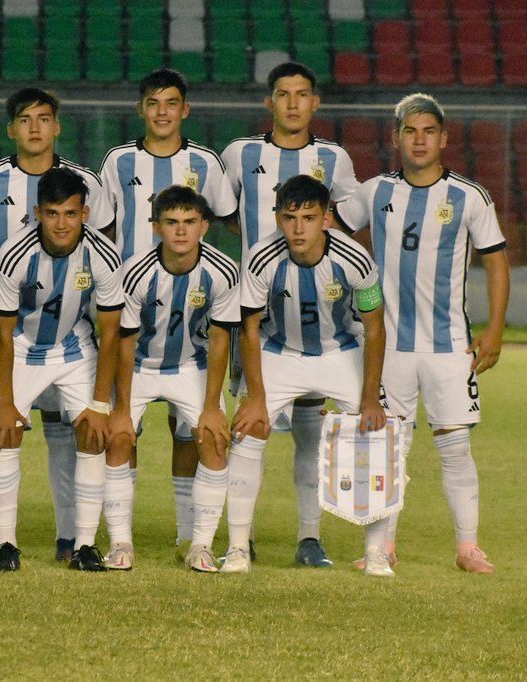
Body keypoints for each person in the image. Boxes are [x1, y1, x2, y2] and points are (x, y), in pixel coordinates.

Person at [335, 93, 509, 574]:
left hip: (450, 344)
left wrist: (494, 329)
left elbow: (496, 262)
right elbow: (331, 236)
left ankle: (467, 548)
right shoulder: (374, 192)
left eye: (428, 131)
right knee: (392, 446)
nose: (419, 139)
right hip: (388, 347)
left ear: (445, 139)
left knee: (455, 445)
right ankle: (384, 547)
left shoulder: (470, 196)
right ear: (395, 138)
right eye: (410, 131)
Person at [0, 87, 114, 563]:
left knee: (77, 433)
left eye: (44, 118)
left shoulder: (87, 186)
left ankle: (77, 541)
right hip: (8, 333)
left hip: (71, 339)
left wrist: (103, 401)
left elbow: (101, 276)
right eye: (25, 119)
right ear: (12, 128)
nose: (35, 127)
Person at [220, 61, 362, 568]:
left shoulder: (335, 158)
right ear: (270, 102)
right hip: (257, 318)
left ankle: (309, 538)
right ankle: (243, 539)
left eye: (303, 94)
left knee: (310, 433)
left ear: (315, 102)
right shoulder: (241, 154)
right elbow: (221, 212)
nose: (294, 103)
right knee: (249, 427)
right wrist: (266, 257)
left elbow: (349, 220)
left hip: (317, 321)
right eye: (284, 95)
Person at [99, 68, 238, 559]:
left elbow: (229, 219)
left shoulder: (206, 162)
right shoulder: (117, 161)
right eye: (153, 102)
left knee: (200, 434)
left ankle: (192, 542)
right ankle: (120, 542)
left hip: (189, 341)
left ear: (185, 109)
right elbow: (99, 228)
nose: (162, 111)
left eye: (171, 102)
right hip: (132, 322)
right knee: (120, 433)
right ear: (142, 109)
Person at [226, 174, 393, 576]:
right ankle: (236, 549)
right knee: (248, 433)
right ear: (277, 218)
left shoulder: (356, 259)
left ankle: (376, 553)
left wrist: (371, 397)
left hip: (339, 350)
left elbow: (374, 327)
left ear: (327, 219)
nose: (299, 228)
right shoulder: (260, 259)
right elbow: (248, 329)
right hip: (278, 350)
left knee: (376, 438)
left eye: (309, 217)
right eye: (290, 217)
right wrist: (258, 399)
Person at [0, 167, 123, 572]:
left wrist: (100, 403)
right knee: (6, 432)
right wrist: (7, 401)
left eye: (69, 213)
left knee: (93, 432)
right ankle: (6, 545)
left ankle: (84, 546)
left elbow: (111, 330)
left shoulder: (103, 254)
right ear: (36, 213)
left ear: (84, 213)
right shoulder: (14, 254)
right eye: (51, 214)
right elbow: (1, 332)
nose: (61, 223)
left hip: (72, 347)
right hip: (22, 347)